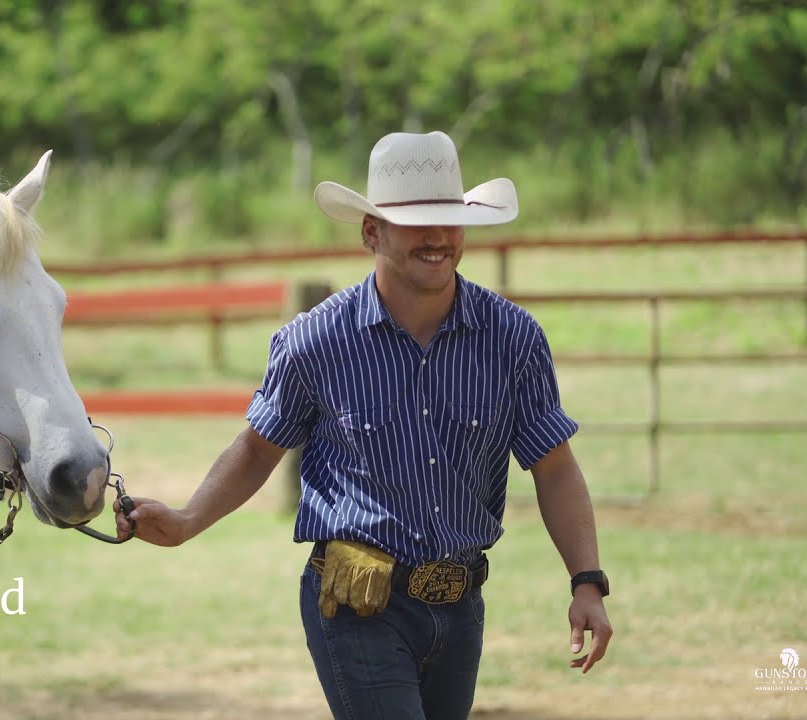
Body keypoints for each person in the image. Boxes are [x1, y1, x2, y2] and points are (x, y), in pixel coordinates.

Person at [114, 130, 613, 719]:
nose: (437, 237)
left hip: (460, 607)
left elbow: (554, 468)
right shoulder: (315, 341)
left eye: (449, 220)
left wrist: (587, 581)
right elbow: (256, 449)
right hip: (355, 606)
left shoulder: (514, 339)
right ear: (371, 232)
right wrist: (187, 519)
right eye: (414, 222)